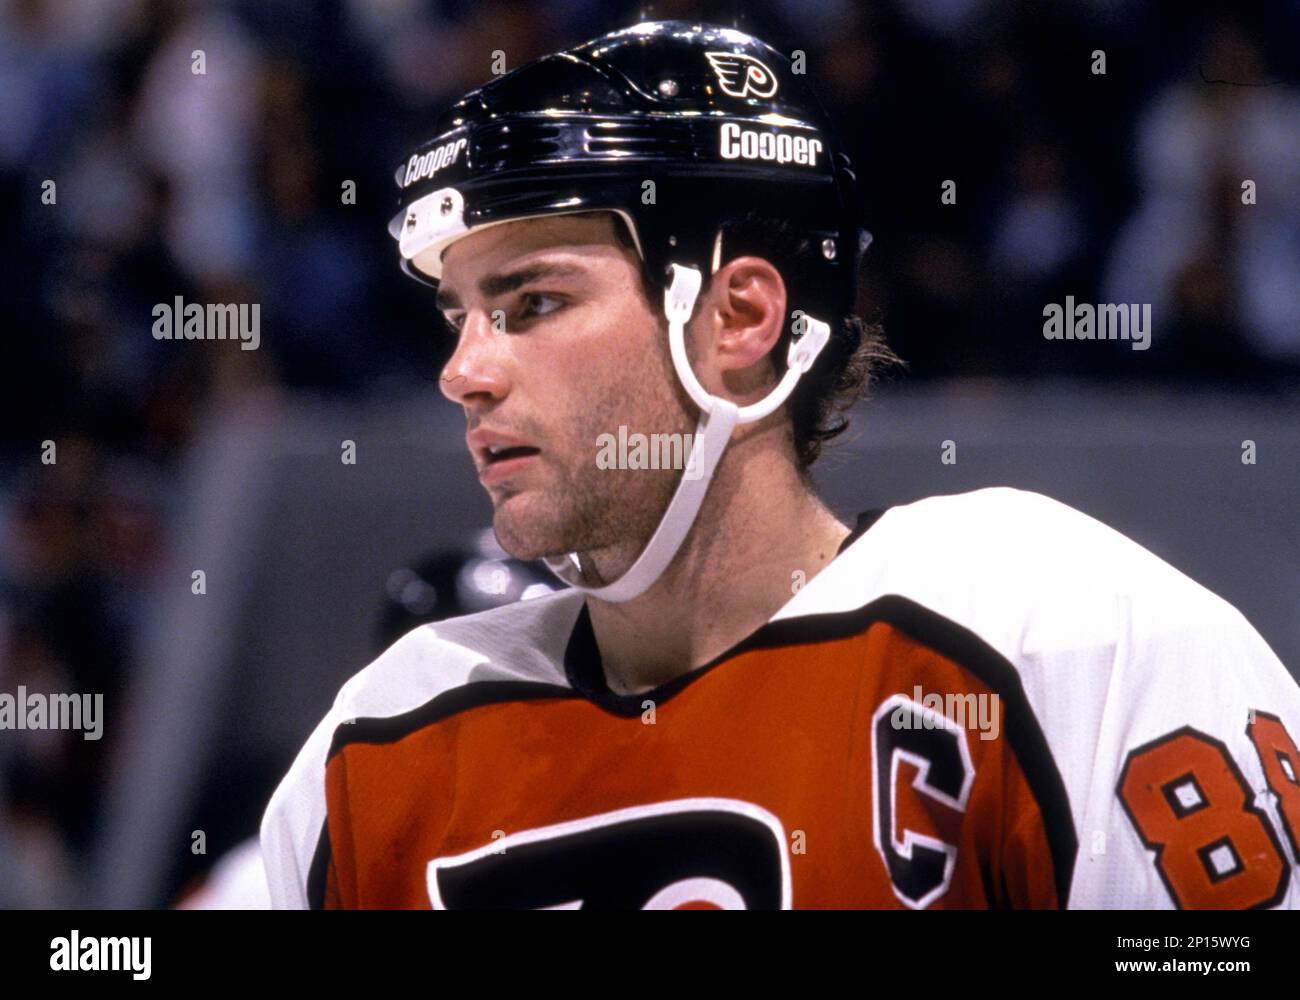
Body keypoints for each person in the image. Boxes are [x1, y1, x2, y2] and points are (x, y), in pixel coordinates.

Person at [261, 20, 1300, 909]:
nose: (463, 372)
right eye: (462, 315)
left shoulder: (1058, 637)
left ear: (741, 315)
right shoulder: (384, 739)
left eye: (533, 303)